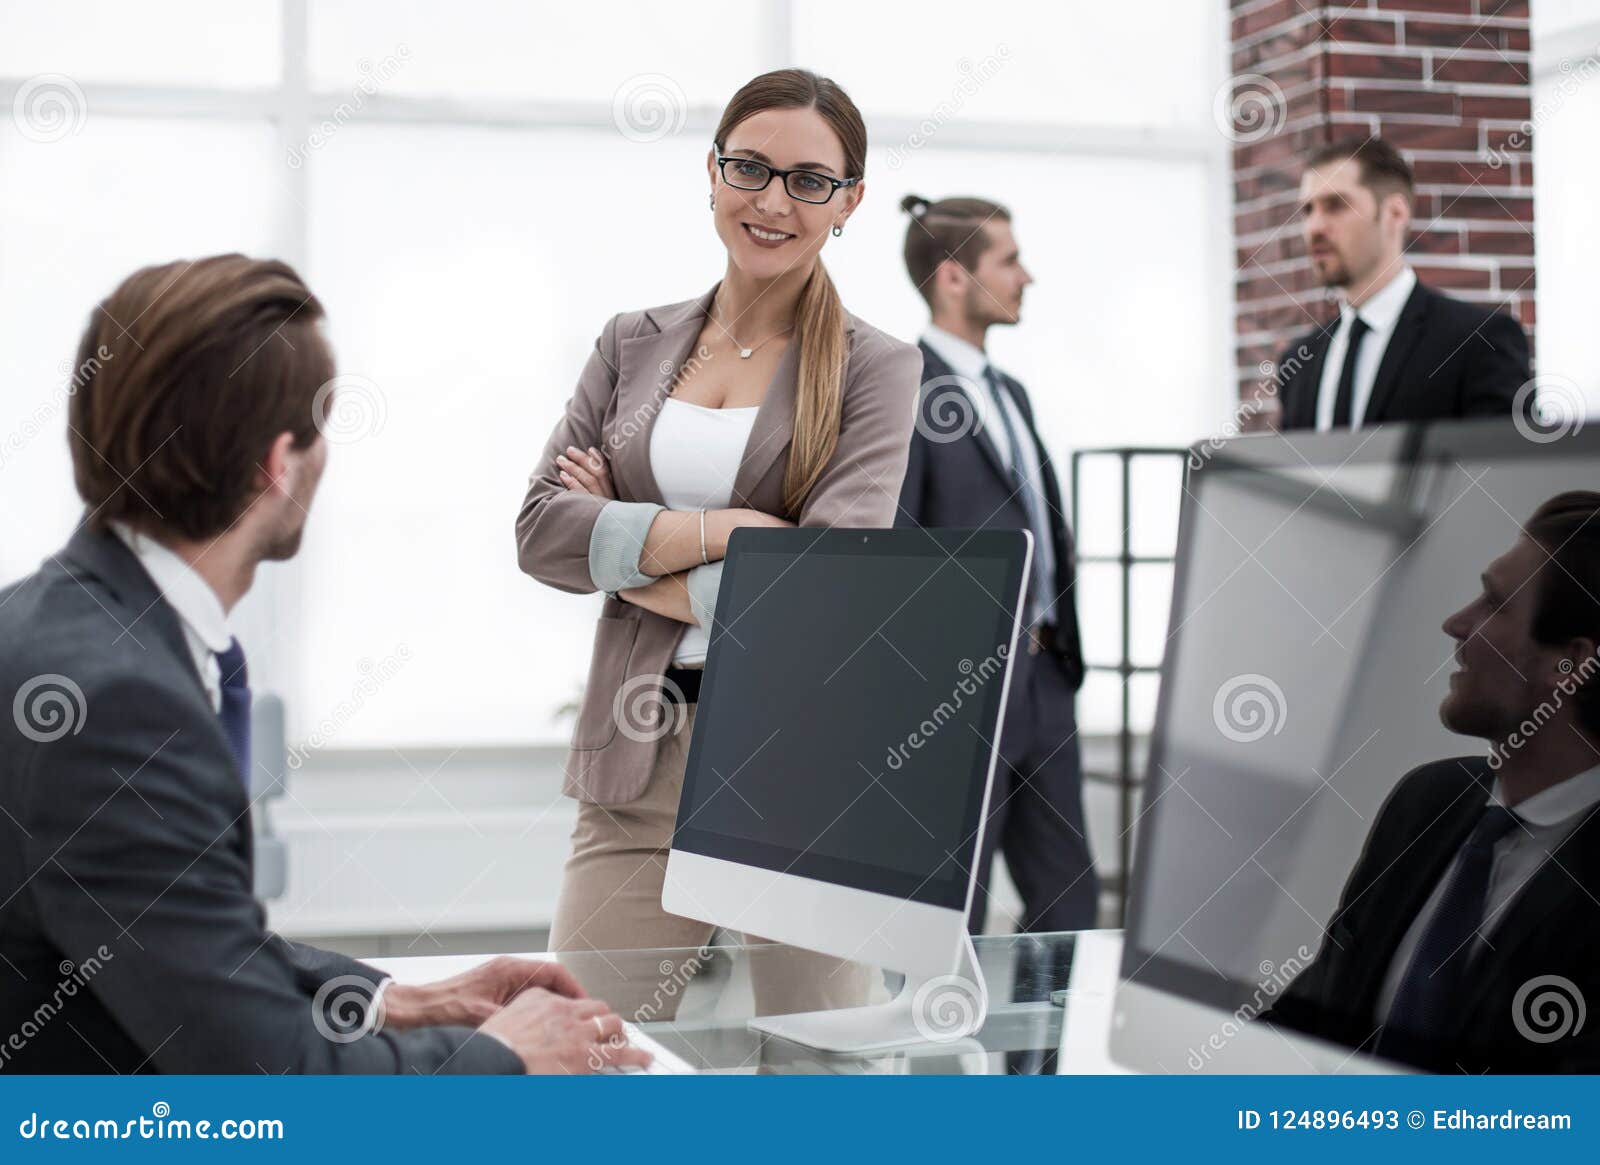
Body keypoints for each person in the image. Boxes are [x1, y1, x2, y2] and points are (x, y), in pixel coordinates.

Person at [0, 255, 648, 1074]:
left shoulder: (58, 622)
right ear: (277, 464)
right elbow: (276, 1083)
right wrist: (505, 1055)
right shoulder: (120, 702)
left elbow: (177, 939)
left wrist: (394, 997)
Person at [515, 68, 921, 1013]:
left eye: (809, 180)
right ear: (712, 172)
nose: (774, 201)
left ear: (848, 201)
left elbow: (826, 593)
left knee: (821, 1082)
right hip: (638, 752)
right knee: (583, 1058)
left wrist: (630, 561)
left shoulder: (878, 370)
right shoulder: (630, 344)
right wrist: (721, 532)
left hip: (803, 769)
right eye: (751, 167)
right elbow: (540, 529)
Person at [1268, 492, 1600, 1072]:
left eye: (1495, 605)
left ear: (1569, 662)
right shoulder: (1427, 802)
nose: (1456, 624)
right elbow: (1309, 1017)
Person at [893, 194, 1097, 936]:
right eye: (1009, 261)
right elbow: (897, 554)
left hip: (1045, 678)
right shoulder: (901, 390)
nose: (1027, 276)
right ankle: (949, 1054)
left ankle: (1044, 1059)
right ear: (953, 277)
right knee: (951, 914)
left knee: (1070, 901)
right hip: (961, 693)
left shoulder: (1011, 392)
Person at [1263, 135, 1530, 431]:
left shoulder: (1479, 341)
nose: (1314, 227)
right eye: (1308, 210)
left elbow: (1507, 470)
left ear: (1395, 213)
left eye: (1336, 205)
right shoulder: (1300, 361)